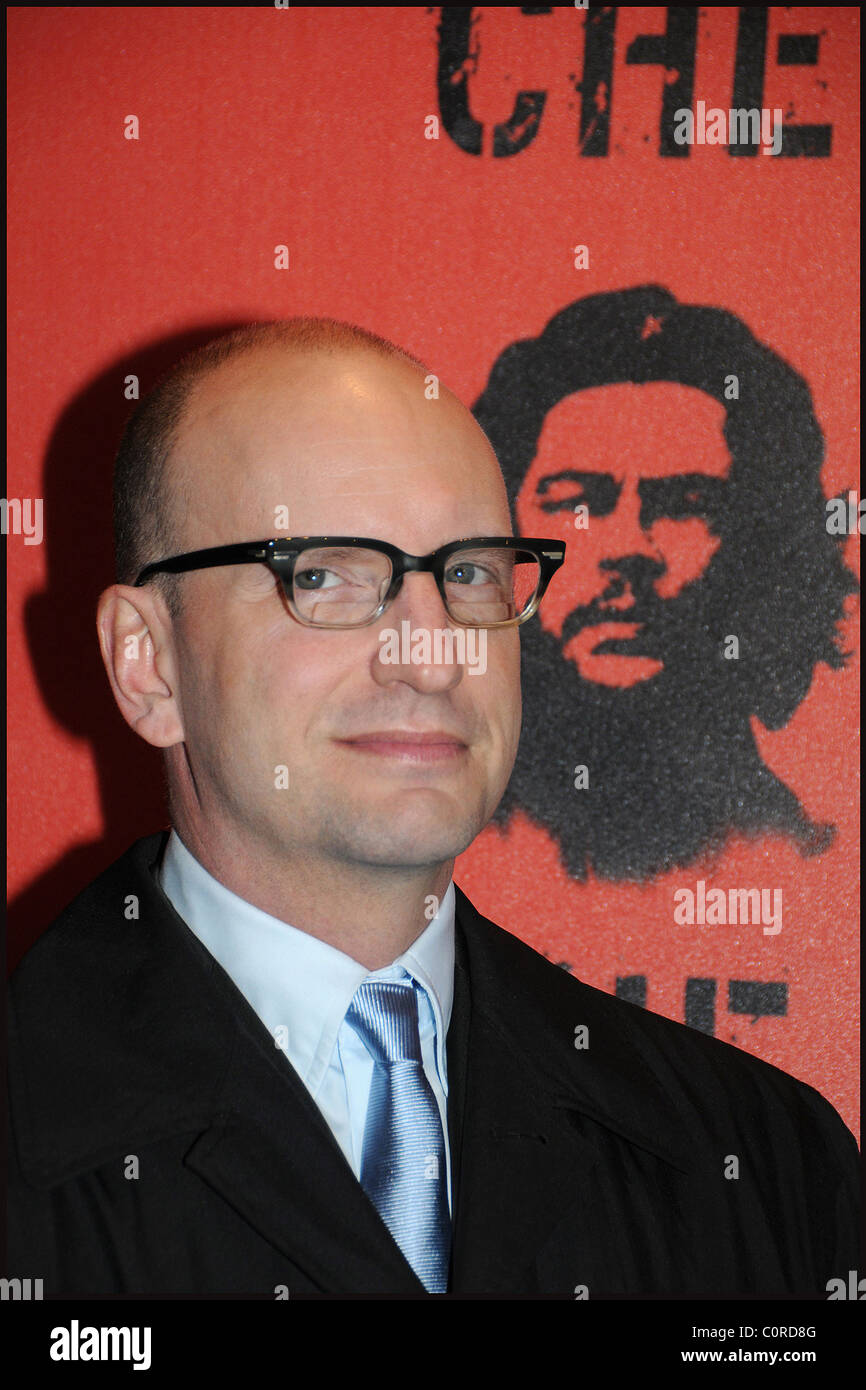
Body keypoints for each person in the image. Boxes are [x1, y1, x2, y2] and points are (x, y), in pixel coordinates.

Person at [6, 317, 858, 1297]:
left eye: (467, 575)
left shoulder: (761, 1168)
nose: (430, 650)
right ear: (147, 663)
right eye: (321, 574)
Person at [474, 287, 857, 880]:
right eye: (576, 501)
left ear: (763, 546)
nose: (629, 548)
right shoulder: (451, 839)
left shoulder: (790, 855)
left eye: (685, 505)